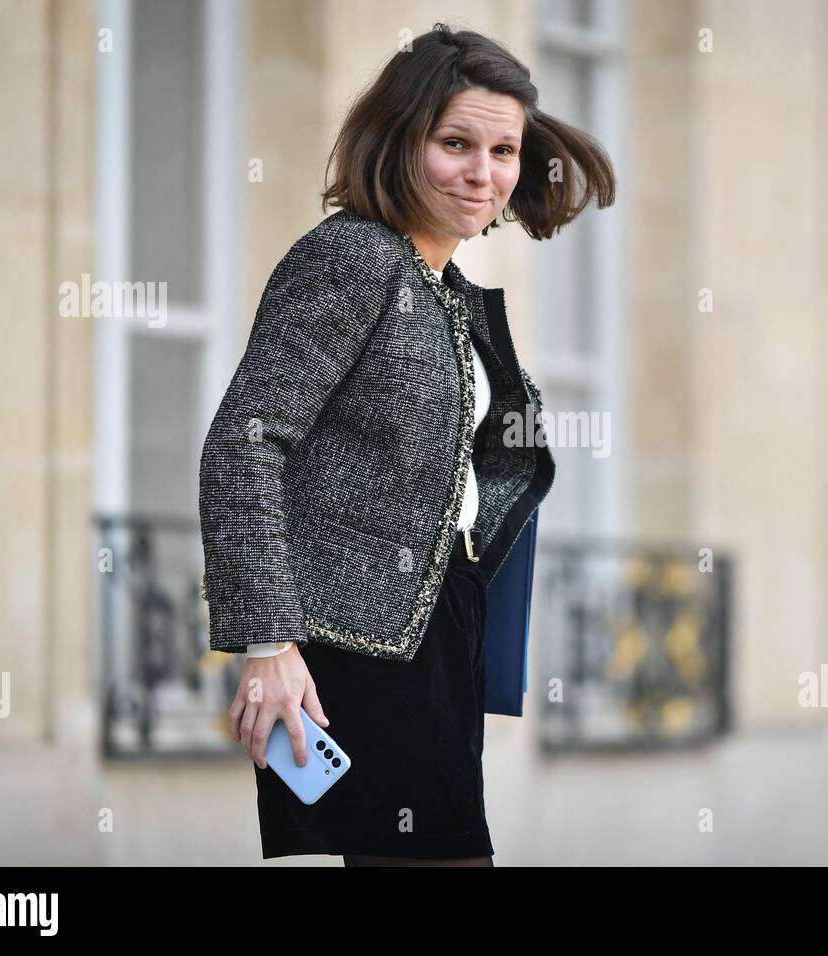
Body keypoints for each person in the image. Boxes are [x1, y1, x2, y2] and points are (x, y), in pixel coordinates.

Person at [197, 23, 615, 866]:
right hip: (353, 652)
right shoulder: (352, 259)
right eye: (455, 142)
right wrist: (269, 645)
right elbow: (246, 441)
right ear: (400, 141)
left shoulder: (443, 287)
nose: (483, 172)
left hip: (437, 630)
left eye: (503, 150)